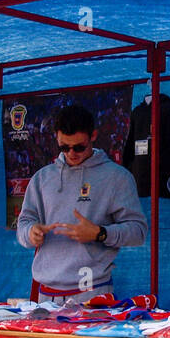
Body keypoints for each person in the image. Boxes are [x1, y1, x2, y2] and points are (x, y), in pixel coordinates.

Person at [16, 104, 147, 303]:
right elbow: (24, 223)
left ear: (93, 136)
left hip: (92, 293)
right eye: (64, 147)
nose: (71, 153)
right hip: (46, 295)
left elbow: (138, 232)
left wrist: (99, 233)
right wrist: (31, 232)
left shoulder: (116, 178)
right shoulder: (42, 178)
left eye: (79, 147)